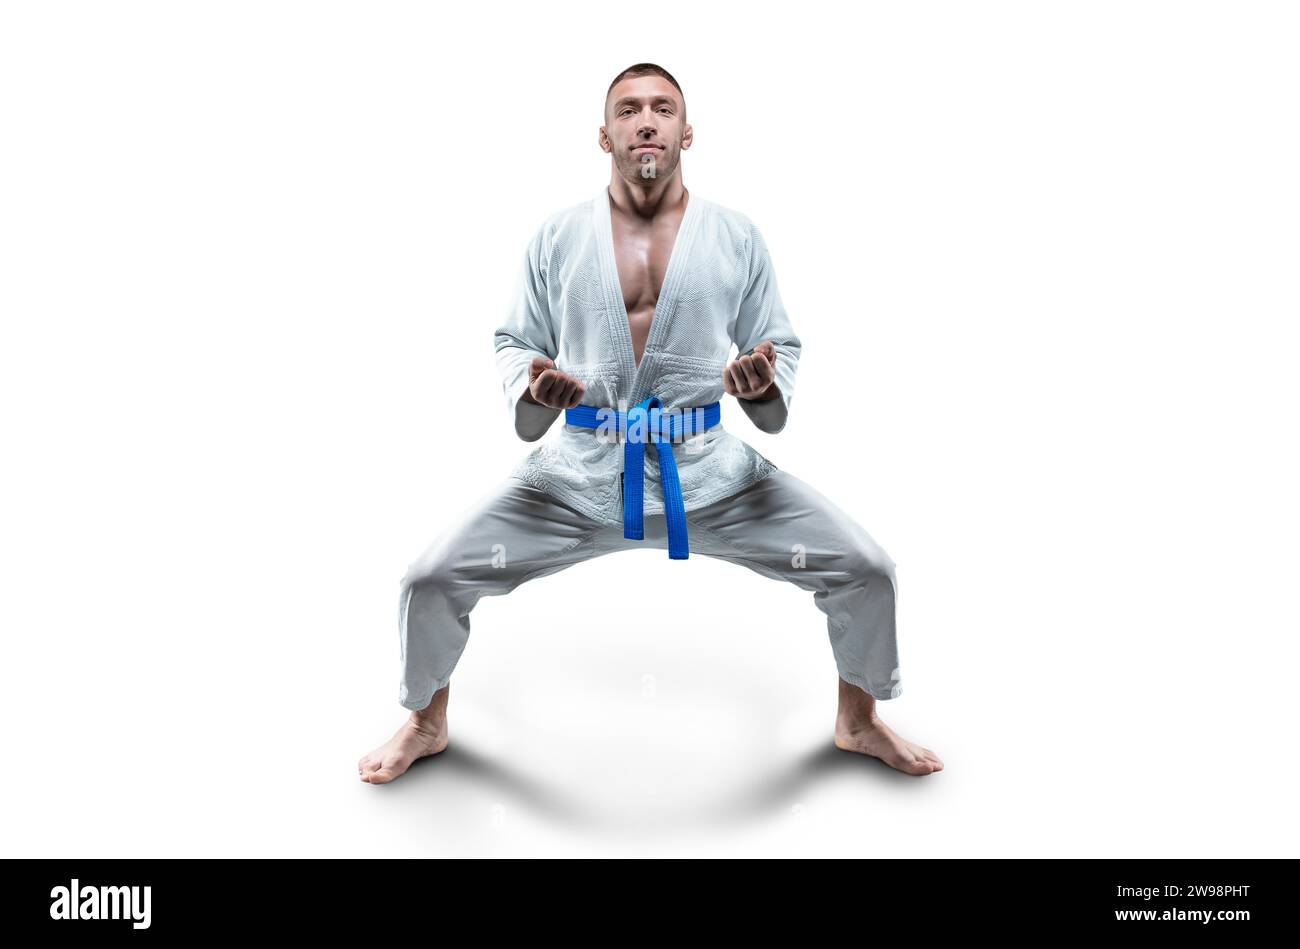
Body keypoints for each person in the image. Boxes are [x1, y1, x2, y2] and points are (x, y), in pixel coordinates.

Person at [359, 63, 943, 784]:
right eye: (629, 109)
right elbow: (515, 342)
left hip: (707, 475)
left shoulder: (734, 235)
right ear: (603, 134)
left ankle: (858, 720)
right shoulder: (557, 237)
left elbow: (777, 353)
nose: (646, 120)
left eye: (662, 109)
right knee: (430, 576)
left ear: (685, 132)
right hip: (576, 475)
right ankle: (426, 719)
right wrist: (537, 388)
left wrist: (759, 387)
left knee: (866, 569)